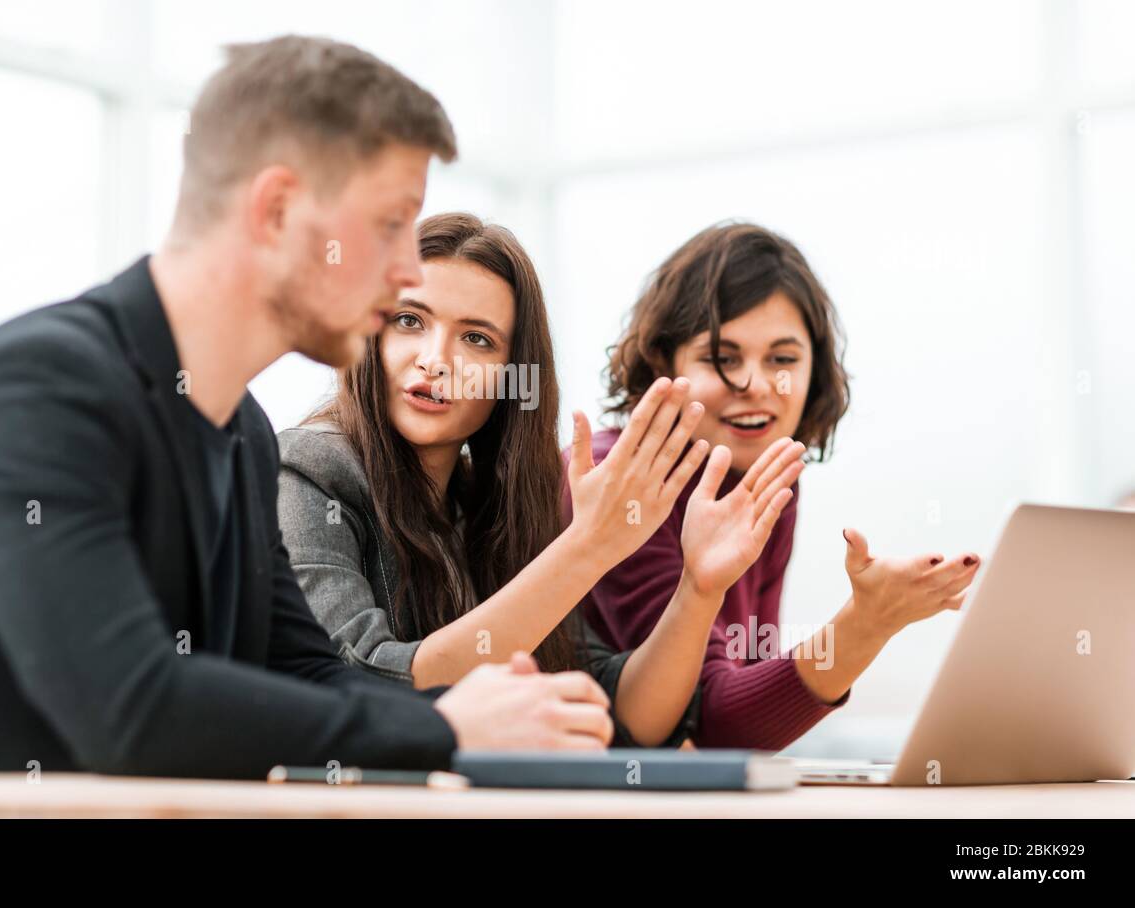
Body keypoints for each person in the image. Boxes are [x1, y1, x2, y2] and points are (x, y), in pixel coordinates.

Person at [0, 36, 616, 778]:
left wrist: (498, 714)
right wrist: (445, 728)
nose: (407, 270)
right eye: (388, 227)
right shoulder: (35, 391)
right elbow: (129, 706)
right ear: (276, 210)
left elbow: (307, 673)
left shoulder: (239, 433)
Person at [277, 212, 804, 747]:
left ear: (514, 377)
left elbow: (627, 716)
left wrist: (699, 587)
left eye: (477, 339)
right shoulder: (309, 469)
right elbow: (363, 684)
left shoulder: (491, 503)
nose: (436, 361)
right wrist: (588, 546)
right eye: (410, 321)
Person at [578, 221, 982, 750]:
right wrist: (865, 626)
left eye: (783, 359)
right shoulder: (617, 480)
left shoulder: (764, 478)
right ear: (663, 362)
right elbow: (711, 719)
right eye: (723, 359)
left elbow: (744, 694)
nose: (757, 385)